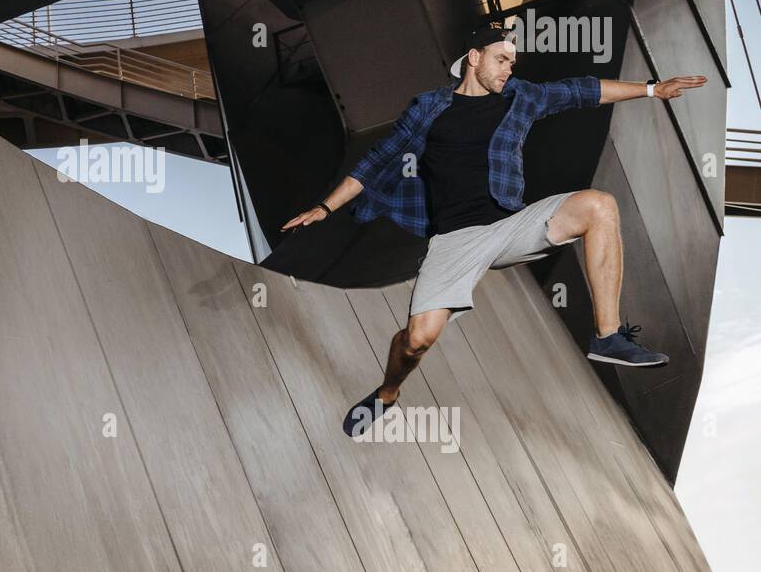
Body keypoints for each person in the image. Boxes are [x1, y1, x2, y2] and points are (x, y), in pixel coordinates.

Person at [278, 22, 708, 438]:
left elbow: (582, 90)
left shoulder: (522, 97)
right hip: (454, 241)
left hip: (509, 225)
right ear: (474, 57)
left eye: (512, 63)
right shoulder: (428, 107)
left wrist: (651, 90)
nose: (508, 69)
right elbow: (377, 161)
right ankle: (387, 394)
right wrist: (324, 206)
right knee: (416, 341)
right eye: (501, 60)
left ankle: (608, 336)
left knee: (599, 206)